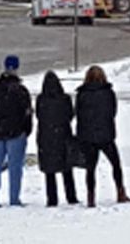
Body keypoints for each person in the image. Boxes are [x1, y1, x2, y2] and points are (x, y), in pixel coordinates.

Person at [76, 65, 130, 207]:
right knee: (116, 164)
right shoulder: (108, 93)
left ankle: (91, 196)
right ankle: (120, 191)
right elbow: (113, 111)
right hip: (106, 135)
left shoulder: (82, 93)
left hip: (88, 136)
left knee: (90, 168)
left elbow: (78, 113)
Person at [0, 55, 32, 208]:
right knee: (15, 168)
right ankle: (14, 198)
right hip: (16, 133)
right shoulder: (20, 90)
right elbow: (27, 112)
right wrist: (26, 130)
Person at [36, 71, 79, 207]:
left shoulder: (41, 99)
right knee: (66, 168)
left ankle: (52, 198)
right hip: (63, 135)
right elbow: (70, 115)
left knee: (49, 171)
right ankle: (71, 196)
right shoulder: (65, 99)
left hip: (46, 137)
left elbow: (39, 115)